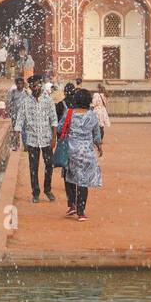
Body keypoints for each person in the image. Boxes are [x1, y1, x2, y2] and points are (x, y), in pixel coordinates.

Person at [60, 86, 103, 221]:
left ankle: (72, 203)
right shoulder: (92, 115)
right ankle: (81, 211)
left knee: (69, 176)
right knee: (83, 180)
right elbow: (96, 134)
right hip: (86, 152)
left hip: (71, 150)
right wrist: (99, 146)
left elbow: (61, 127)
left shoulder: (69, 113)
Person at [14, 74, 58, 203]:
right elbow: (20, 119)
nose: (35, 87)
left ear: (41, 84)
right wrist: (17, 136)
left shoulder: (48, 100)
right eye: (33, 85)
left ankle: (47, 189)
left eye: (37, 84)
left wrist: (54, 138)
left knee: (49, 165)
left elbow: (54, 119)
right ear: (31, 87)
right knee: (33, 167)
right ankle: (36, 192)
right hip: (32, 140)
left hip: (46, 138)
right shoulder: (26, 101)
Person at [6, 77, 27, 150]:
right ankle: (16, 145)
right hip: (15, 114)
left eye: (21, 84)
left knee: (24, 130)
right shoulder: (13, 92)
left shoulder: (26, 92)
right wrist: (8, 111)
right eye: (18, 84)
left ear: (23, 84)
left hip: (24, 115)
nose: (20, 85)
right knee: (15, 130)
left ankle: (25, 145)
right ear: (16, 84)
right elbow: (9, 102)